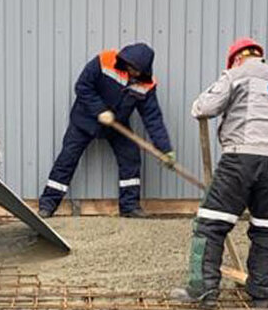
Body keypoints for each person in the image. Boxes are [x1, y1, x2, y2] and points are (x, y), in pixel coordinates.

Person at [172, 37, 268, 308]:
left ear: (237, 58)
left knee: (211, 223)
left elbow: (204, 107)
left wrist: (201, 103)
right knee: (267, 228)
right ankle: (263, 295)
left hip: (241, 157)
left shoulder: (235, 74)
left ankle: (202, 290)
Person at [37, 42, 175, 218]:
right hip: (84, 119)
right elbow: (82, 86)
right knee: (67, 158)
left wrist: (165, 149)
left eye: (137, 70)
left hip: (117, 124)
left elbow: (153, 118)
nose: (132, 71)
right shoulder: (105, 61)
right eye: (130, 67)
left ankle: (129, 206)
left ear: (145, 70)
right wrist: (100, 110)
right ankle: (48, 204)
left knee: (130, 158)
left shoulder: (146, 85)